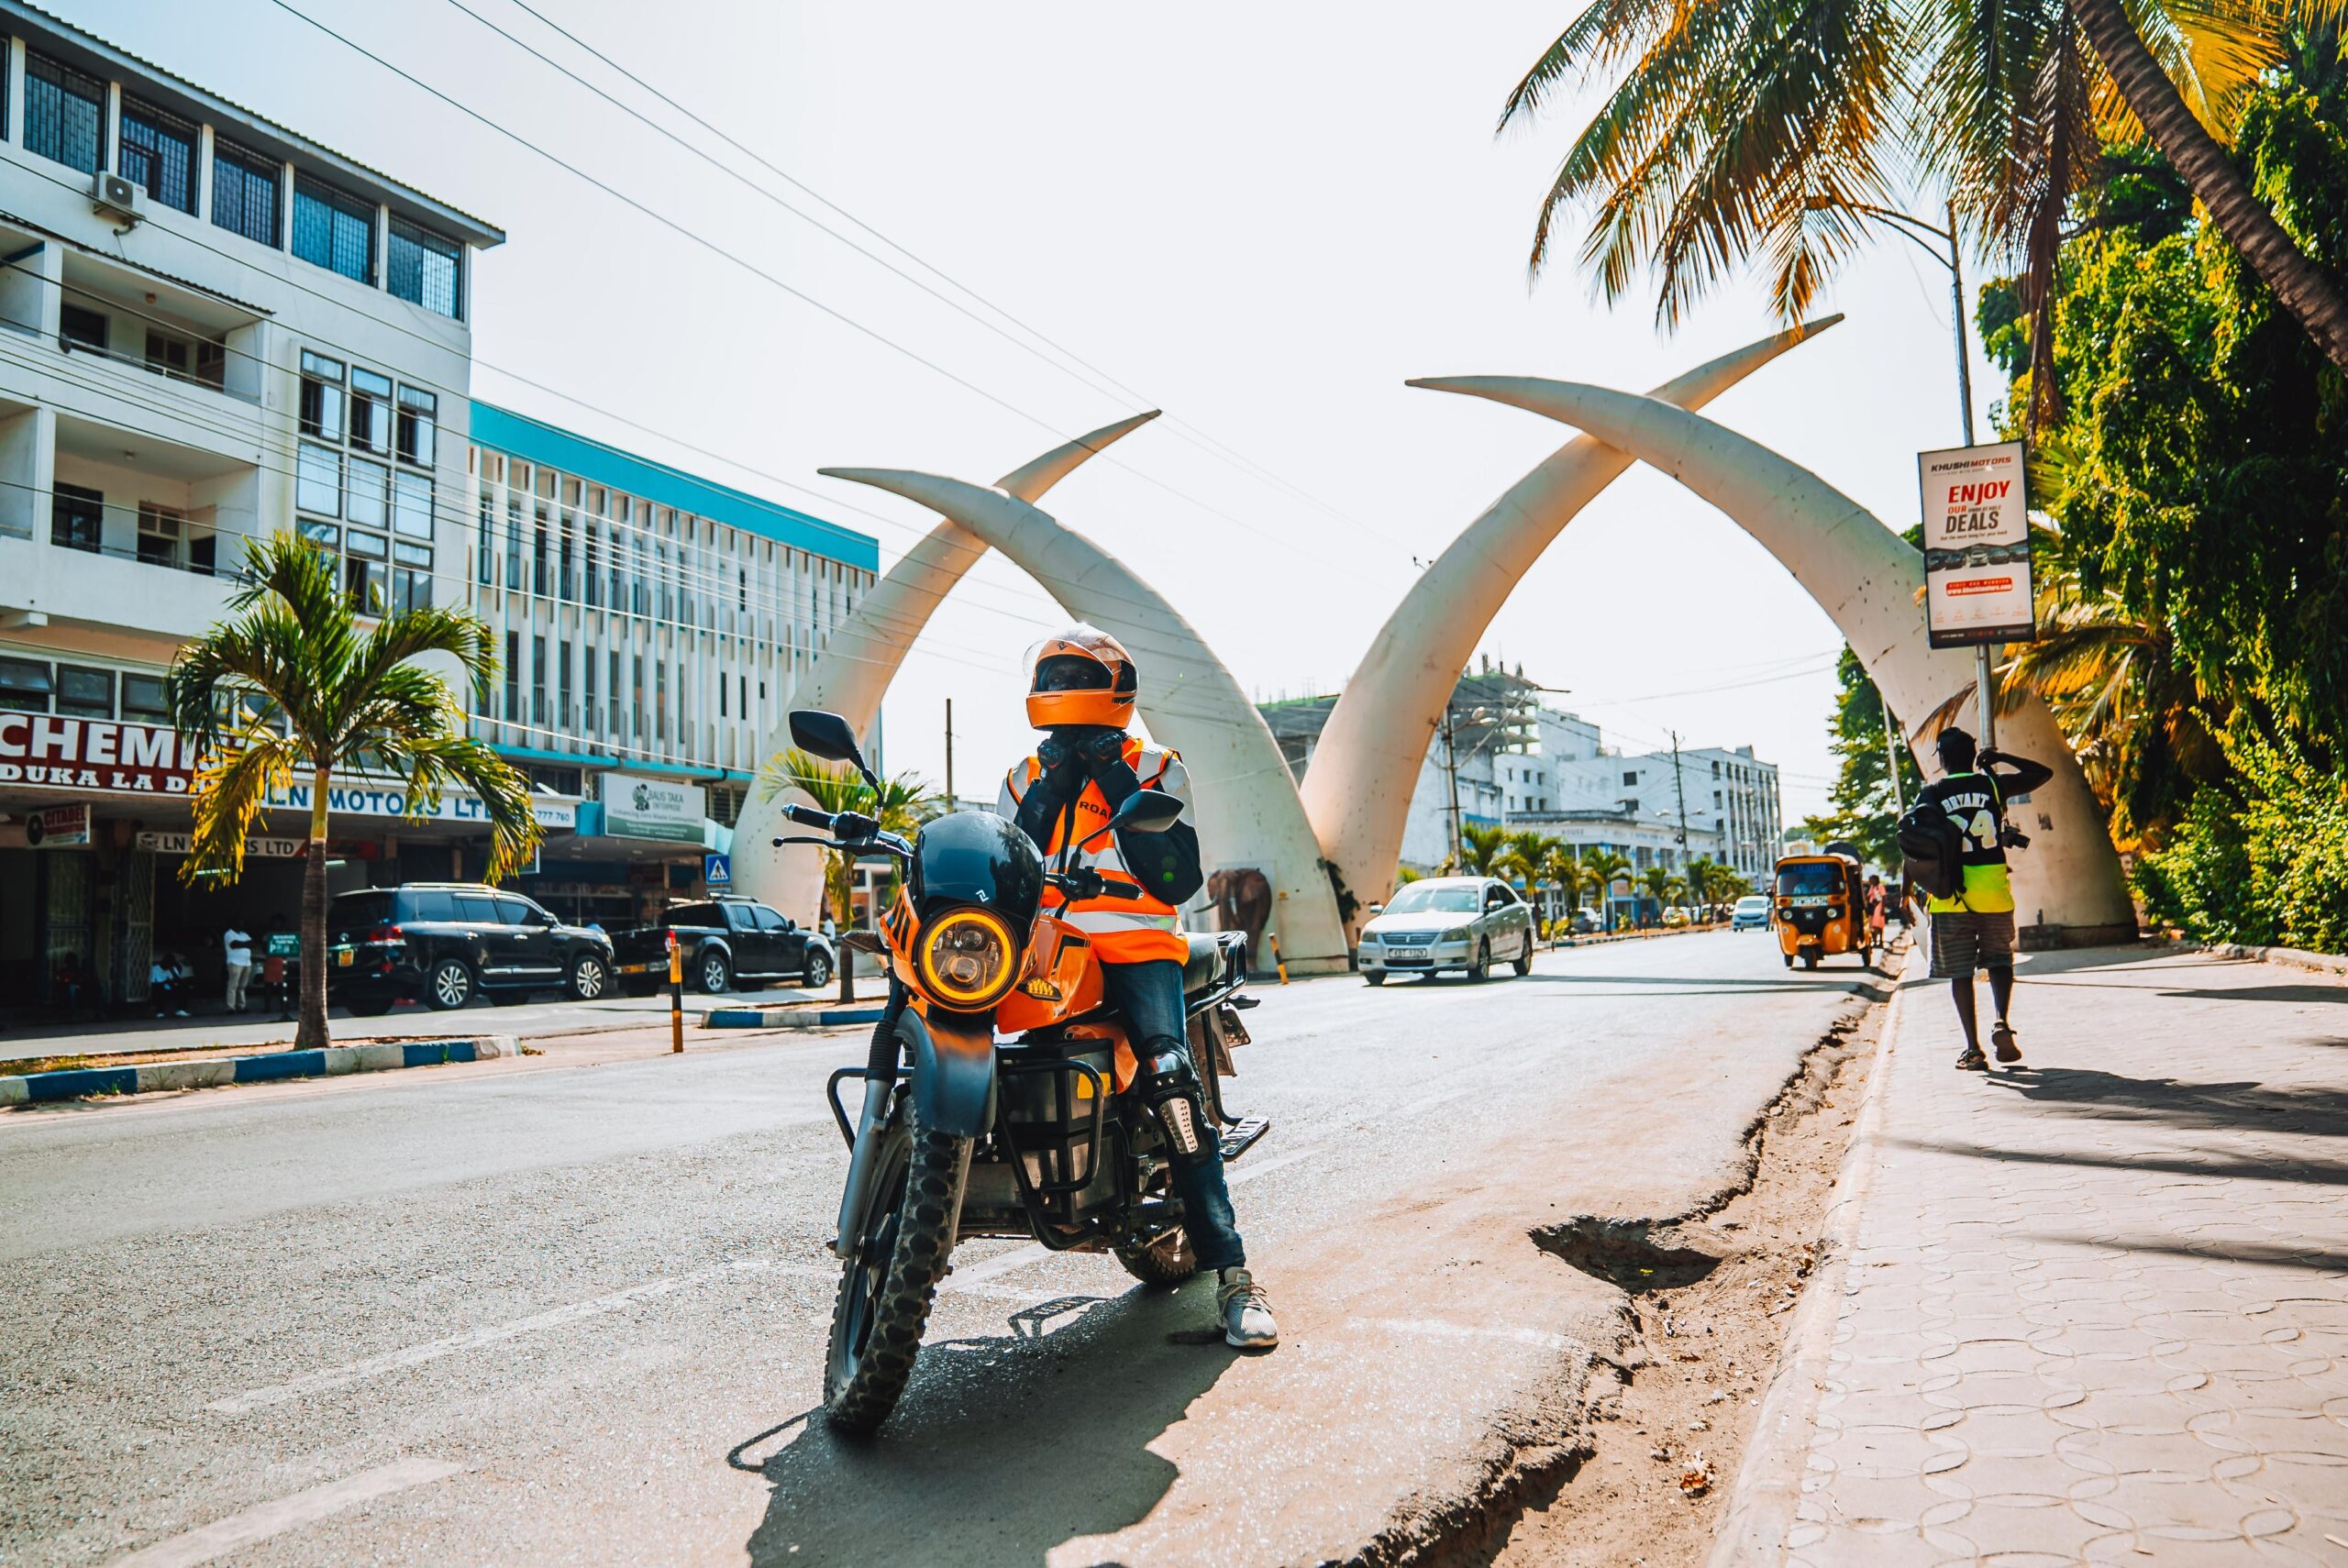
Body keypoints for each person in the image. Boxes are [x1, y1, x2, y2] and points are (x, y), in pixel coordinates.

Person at [998, 624, 1278, 1351]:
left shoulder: (1156, 765)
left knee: (1169, 1073)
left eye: (1071, 677)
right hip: (1047, 951)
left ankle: (1236, 1279)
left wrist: (1112, 777)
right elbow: (1006, 864)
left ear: (1113, 690)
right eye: (1050, 678)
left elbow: (1176, 877)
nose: (1059, 689)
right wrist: (1059, 782)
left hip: (1137, 945)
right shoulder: (1026, 775)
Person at [1918, 725, 2054, 1070]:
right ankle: (2001, 1022)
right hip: (1994, 891)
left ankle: (1973, 1050)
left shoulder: (1932, 793)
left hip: (1952, 898)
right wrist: (2001, 758)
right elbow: (2042, 773)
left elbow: (1915, 842)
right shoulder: (1993, 784)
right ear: (1973, 755)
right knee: (1998, 961)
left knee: (1960, 973)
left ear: (1943, 759)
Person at [223, 922, 254, 1013]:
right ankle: (230, 1007)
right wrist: (246, 944)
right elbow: (234, 944)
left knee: (242, 986)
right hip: (235, 962)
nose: (241, 925)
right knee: (233, 985)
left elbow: (252, 944)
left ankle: (242, 1006)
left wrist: (242, 944)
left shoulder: (244, 934)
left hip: (246, 963)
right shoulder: (229, 934)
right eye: (239, 923)